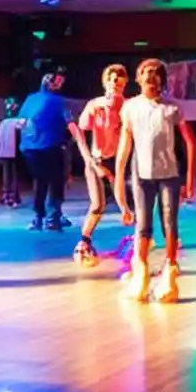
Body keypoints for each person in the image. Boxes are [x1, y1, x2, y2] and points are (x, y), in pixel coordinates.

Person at [114, 58, 196, 303]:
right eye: (145, 73)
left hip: (169, 174)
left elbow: (191, 142)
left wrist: (190, 178)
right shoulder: (130, 108)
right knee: (143, 223)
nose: (150, 77)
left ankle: (170, 270)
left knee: (170, 221)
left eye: (155, 73)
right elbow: (125, 145)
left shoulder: (172, 108)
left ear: (162, 79)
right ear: (138, 79)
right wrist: (119, 176)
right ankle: (140, 272)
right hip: (141, 174)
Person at [70, 63, 128, 266]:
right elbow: (80, 132)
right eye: (112, 80)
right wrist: (90, 160)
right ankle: (83, 242)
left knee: (131, 202)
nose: (115, 84)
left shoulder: (128, 107)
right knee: (98, 204)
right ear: (105, 82)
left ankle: (143, 239)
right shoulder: (95, 105)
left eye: (119, 81)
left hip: (120, 159)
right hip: (97, 159)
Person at [18, 69, 71, 231]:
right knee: (56, 181)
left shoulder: (30, 99)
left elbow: (21, 122)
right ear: (50, 83)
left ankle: (38, 217)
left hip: (29, 148)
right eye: (58, 81)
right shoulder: (58, 101)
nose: (61, 84)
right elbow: (68, 122)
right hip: (51, 146)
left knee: (40, 181)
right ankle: (53, 218)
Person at [0, 97, 23, 207]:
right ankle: (12, 196)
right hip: (14, 152)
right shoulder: (17, 122)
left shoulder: (2, 123)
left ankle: (7, 195)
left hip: (5, 153)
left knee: (7, 174)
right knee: (14, 174)